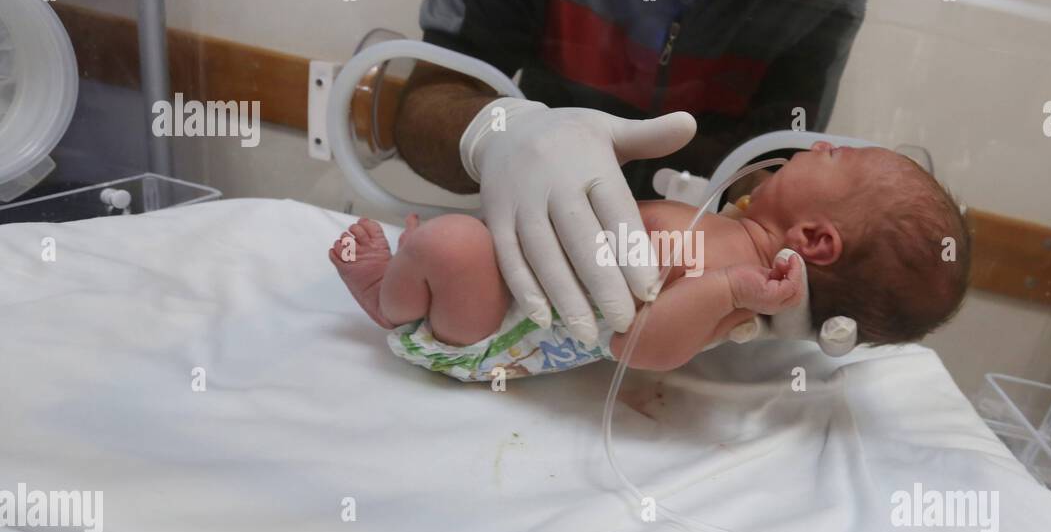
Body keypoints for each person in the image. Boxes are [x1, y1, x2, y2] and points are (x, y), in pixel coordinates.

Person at [393, 0, 950, 349]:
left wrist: (799, 294)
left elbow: (773, 172)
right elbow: (429, 99)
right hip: (520, 261)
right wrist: (501, 135)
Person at [329, 143, 971, 381]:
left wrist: (724, 289)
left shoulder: (738, 290)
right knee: (458, 241)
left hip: (501, 328)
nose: (824, 143)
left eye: (839, 159)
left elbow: (640, 345)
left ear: (815, 238)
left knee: (447, 245)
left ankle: (387, 296)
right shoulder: (728, 228)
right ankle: (415, 272)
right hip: (518, 272)